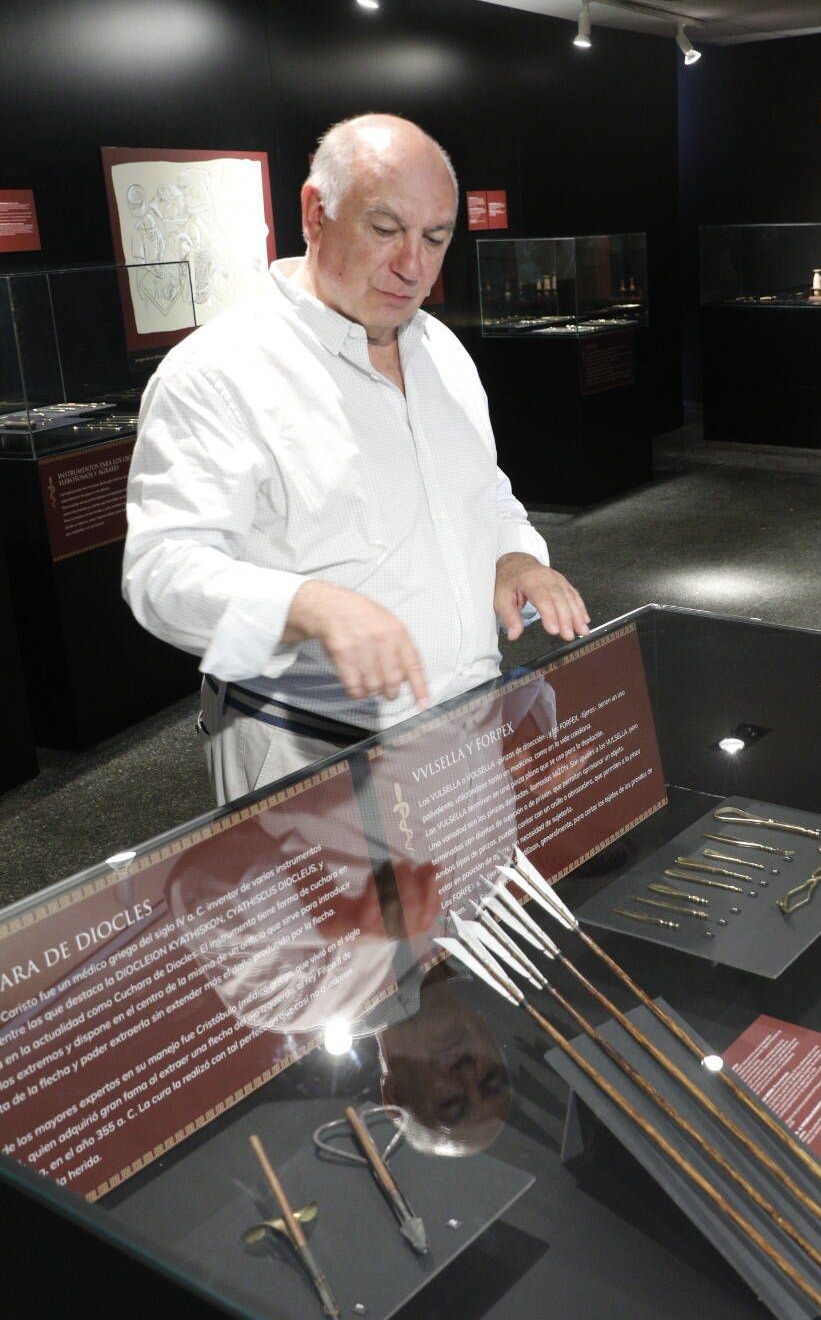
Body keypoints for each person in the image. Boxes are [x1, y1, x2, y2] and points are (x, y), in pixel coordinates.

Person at [124, 113, 590, 804]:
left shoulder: (441, 351)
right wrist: (307, 605)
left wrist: (515, 555)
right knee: (334, 921)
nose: (413, 267)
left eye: (435, 239)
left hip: (469, 730)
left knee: (467, 909)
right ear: (316, 213)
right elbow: (160, 573)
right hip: (315, 763)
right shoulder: (217, 373)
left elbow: (482, 490)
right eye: (384, 230)